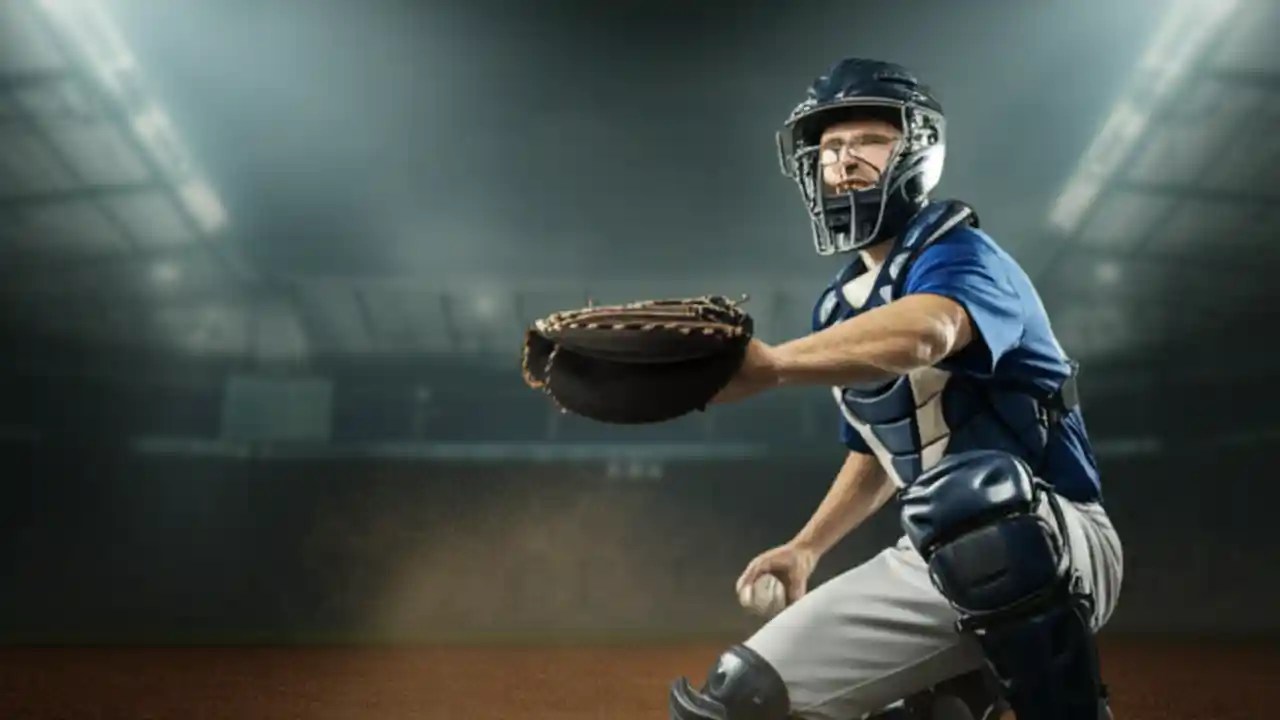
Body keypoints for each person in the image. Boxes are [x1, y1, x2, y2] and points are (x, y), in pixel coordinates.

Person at [667, 58, 1124, 720]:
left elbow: (928, 332)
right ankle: (954, 696)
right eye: (829, 148)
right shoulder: (838, 309)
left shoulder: (963, 254)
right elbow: (878, 449)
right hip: (939, 555)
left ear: (917, 151)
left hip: (1054, 538)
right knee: (743, 697)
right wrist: (806, 547)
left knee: (972, 500)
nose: (843, 161)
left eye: (868, 141)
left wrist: (771, 365)